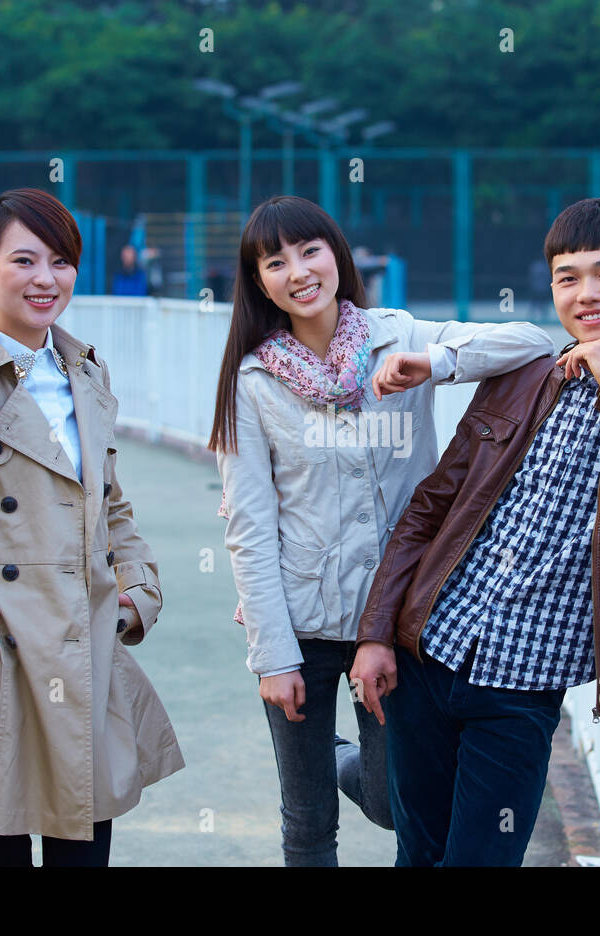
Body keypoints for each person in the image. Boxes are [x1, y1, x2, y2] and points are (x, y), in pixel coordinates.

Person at [353, 198, 600, 866]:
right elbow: (429, 509)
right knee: (416, 856)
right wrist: (377, 633)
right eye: (567, 277)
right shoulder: (524, 379)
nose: (587, 294)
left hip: (523, 689)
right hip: (429, 652)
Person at [210, 194, 554, 866]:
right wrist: (271, 656)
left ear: (337, 255)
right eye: (275, 261)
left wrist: (439, 364)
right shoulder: (251, 382)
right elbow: (250, 526)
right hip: (299, 619)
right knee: (307, 821)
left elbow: (533, 343)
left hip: (394, 620)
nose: (299, 271)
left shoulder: (398, 335)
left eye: (310, 251)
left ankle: (347, 759)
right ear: (258, 281)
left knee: (395, 802)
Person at [0, 188, 183, 867]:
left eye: (61, 261)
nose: (46, 279)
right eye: (25, 260)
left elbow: (112, 504)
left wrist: (138, 592)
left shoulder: (86, 369)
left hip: (86, 653)